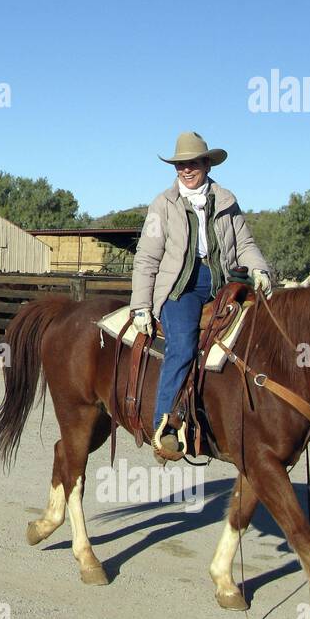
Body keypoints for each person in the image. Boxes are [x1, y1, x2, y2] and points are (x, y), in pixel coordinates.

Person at [129, 132, 273, 457]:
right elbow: (147, 257)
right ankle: (165, 425)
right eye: (181, 165)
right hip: (182, 286)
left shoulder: (225, 200)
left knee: (259, 334)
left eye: (192, 163)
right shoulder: (162, 205)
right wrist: (140, 306)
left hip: (223, 281)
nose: (186, 170)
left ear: (207, 164)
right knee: (182, 346)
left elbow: (245, 244)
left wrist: (260, 269)